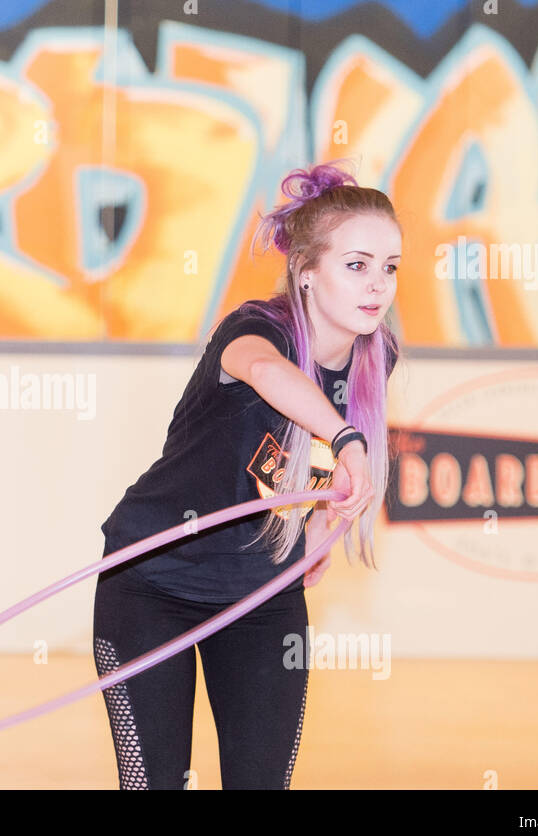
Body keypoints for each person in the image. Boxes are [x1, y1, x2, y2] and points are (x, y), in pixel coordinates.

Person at [94, 160, 401, 788]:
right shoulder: (253, 330)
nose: (378, 286)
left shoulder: (377, 357)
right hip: (150, 580)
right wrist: (346, 439)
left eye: (391, 267)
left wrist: (313, 529)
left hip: (261, 595)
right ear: (308, 273)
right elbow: (270, 377)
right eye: (357, 265)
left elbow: (305, 464)